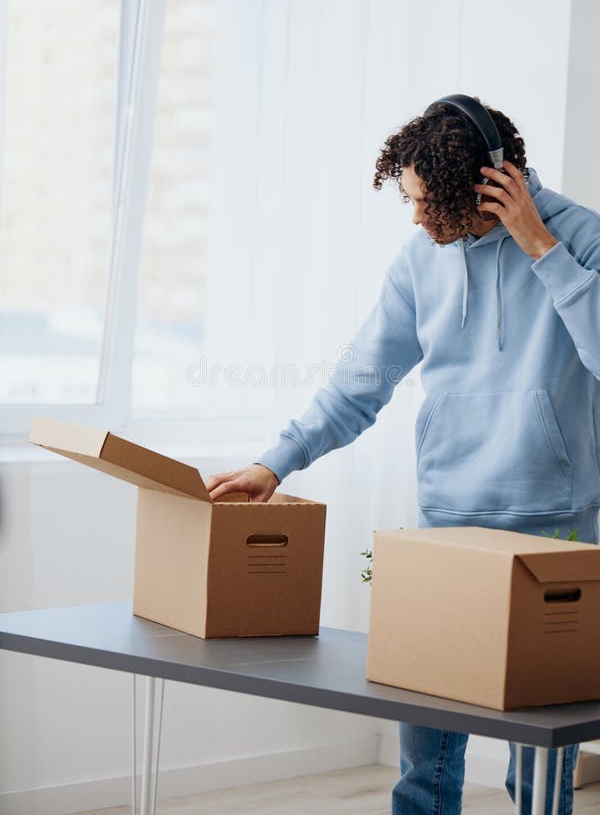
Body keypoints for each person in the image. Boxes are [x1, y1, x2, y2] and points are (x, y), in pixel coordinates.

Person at [206, 95, 600, 814]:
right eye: (410, 200)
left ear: (489, 186)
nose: (417, 219)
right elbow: (362, 380)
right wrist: (277, 461)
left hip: (556, 529)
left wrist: (542, 249)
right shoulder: (422, 260)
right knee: (424, 755)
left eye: (428, 203)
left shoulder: (579, 238)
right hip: (446, 522)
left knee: (536, 768)